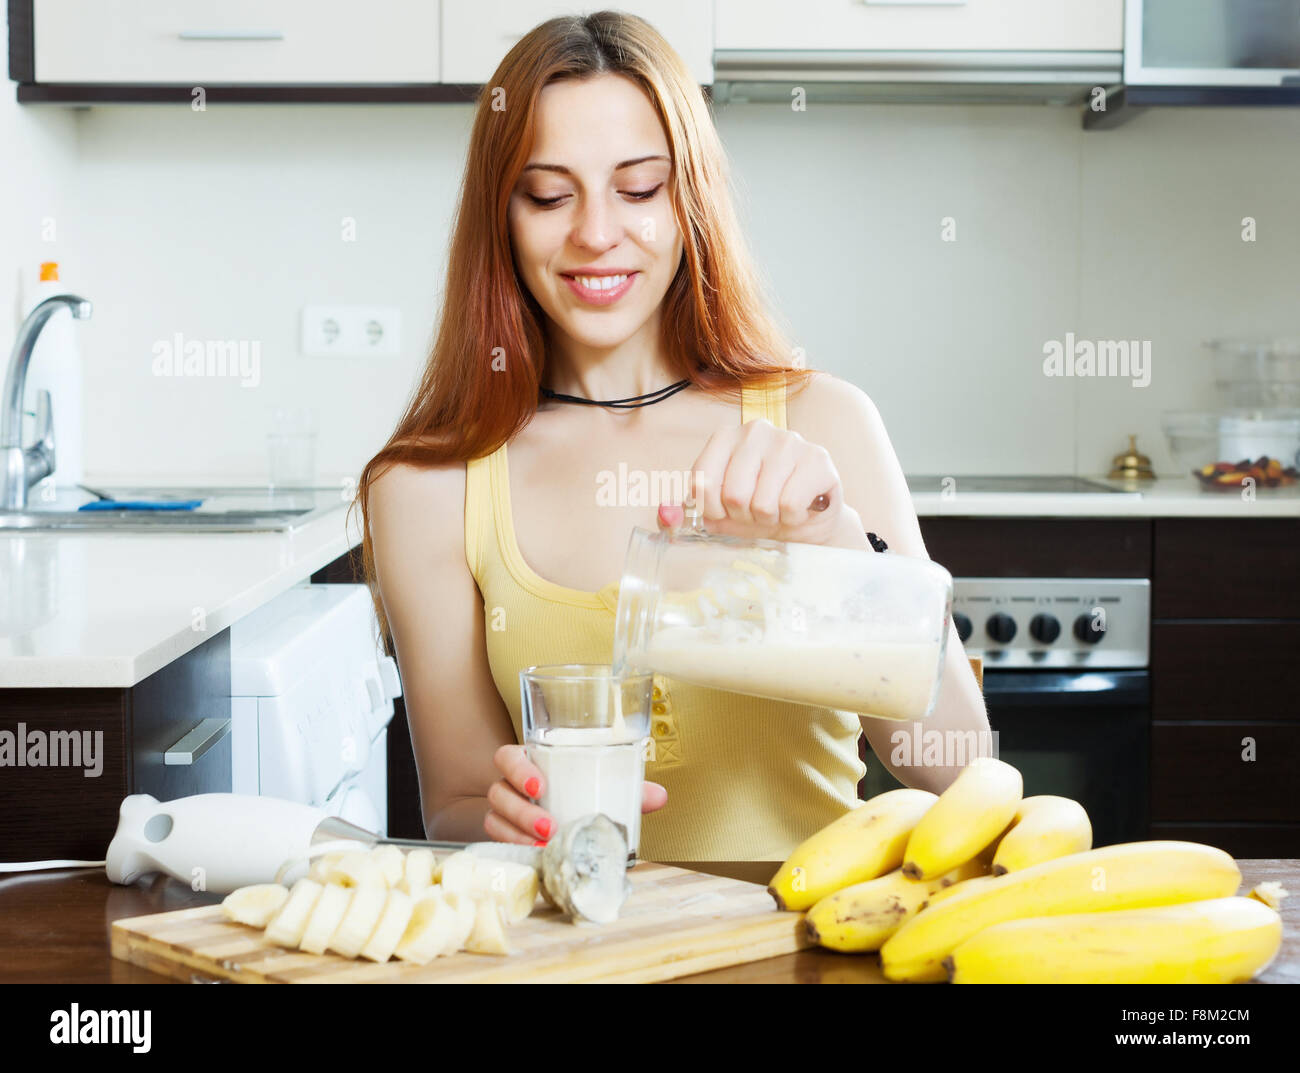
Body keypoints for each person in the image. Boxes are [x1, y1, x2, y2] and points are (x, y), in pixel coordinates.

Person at [355, 12, 989, 861]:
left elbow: (961, 767)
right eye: (548, 194)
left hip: (805, 943)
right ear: (500, 215)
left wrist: (834, 544)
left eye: (640, 187)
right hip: (584, 948)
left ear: (690, 198)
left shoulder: (820, 425)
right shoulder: (429, 488)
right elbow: (459, 804)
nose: (594, 232)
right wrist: (517, 817)